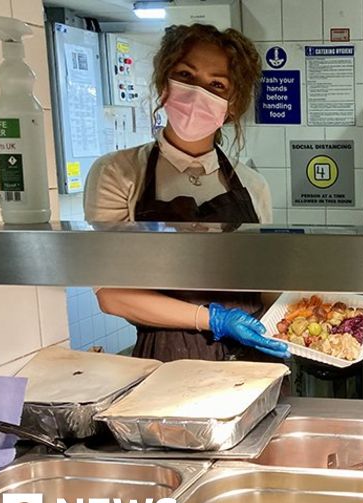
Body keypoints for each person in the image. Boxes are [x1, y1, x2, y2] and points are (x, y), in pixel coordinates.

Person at [84, 24, 287, 362]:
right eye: (186, 75)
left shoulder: (253, 184)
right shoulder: (117, 173)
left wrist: (301, 321)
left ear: (232, 105)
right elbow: (112, 295)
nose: (198, 93)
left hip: (253, 357)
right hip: (167, 359)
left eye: (216, 84)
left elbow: (265, 286)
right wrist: (212, 319)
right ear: (165, 84)